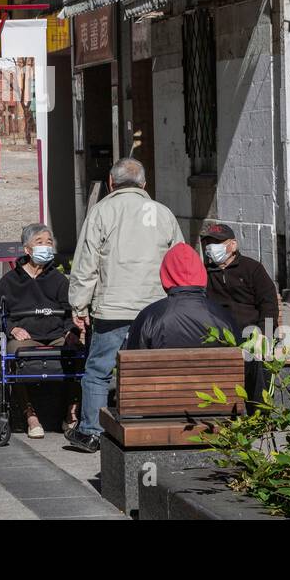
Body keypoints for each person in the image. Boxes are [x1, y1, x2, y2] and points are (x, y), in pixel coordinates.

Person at [65, 157, 184, 453]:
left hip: (112, 308)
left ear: (110, 183)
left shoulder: (101, 211)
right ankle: (149, 425)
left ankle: (91, 431)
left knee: (98, 371)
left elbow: (85, 264)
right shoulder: (163, 213)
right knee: (149, 369)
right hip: (155, 310)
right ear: (144, 184)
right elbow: (179, 261)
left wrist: (79, 307)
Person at [0, 223, 79, 439]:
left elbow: (69, 313)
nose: (46, 246)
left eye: (49, 242)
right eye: (39, 242)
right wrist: (12, 329)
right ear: (27, 250)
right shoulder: (9, 281)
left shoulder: (58, 280)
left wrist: (69, 331)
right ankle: (30, 415)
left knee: (78, 351)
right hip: (26, 338)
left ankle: (71, 413)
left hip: (55, 335)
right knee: (15, 354)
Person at [200, 221, 282, 407]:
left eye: (217, 243)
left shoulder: (252, 269)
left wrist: (265, 334)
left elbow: (269, 305)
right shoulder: (204, 273)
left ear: (233, 245)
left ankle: (260, 411)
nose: (211, 248)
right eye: (208, 243)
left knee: (258, 357)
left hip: (253, 334)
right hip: (220, 336)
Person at [125, 243, 238, 350]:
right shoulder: (222, 315)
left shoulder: (149, 317)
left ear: (166, 274)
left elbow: (129, 361)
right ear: (201, 273)